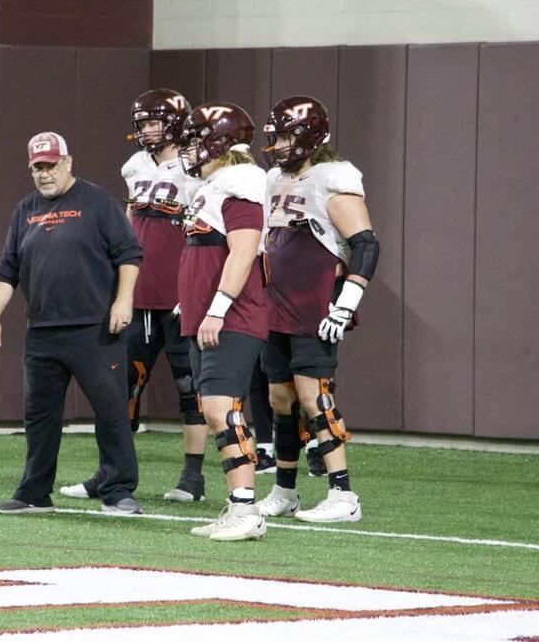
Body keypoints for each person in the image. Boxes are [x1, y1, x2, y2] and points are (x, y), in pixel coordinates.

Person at [60, 88, 208, 503]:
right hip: (139, 295)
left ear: (175, 123)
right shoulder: (135, 165)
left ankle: (192, 479)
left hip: (181, 295)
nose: (146, 131)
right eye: (141, 123)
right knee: (117, 389)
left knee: (189, 387)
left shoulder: (196, 165)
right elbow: (129, 220)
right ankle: (110, 473)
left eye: (153, 122)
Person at [0, 132, 144, 516]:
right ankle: (34, 492)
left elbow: (129, 253)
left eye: (51, 165)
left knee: (110, 411)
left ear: (68, 163)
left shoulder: (98, 201)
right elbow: (8, 270)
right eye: (37, 167)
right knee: (39, 416)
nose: (44, 174)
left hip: (95, 328)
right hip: (41, 331)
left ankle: (117, 490)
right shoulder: (25, 209)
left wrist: (124, 300)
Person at [257, 95, 379, 523]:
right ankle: (285, 490)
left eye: (288, 136)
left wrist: (345, 305)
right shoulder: (274, 178)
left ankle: (343, 495)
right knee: (279, 397)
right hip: (279, 302)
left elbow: (365, 244)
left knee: (316, 398)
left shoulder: (333, 177)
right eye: (277, 136)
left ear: (309, 136)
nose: (279, 145)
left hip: (317, 304)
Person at [175, 103, 268, 541]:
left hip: (231, 317)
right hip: (206, 317)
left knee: (222, 409)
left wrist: (218, 306)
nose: (190, 149)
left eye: (198, 139)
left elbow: (244, 250)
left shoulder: (241, 183)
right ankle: (238, 506)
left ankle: (247, 510)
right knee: (215, 412)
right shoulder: (211, 187)